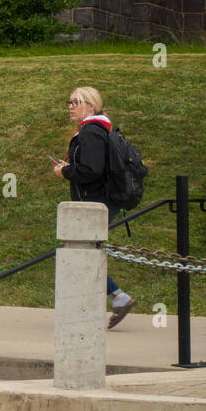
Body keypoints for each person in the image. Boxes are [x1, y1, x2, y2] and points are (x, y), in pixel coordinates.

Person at [53, 86, 135, 328]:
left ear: (90, 105)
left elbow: (91, 170)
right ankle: (115, 298)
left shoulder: (90, 131)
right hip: (101, 201)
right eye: (68, 102)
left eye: (75, 102)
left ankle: (114, 299)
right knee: (85, 253)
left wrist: (64, 171)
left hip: (95, 203)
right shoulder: (99, 129)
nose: (70, 106)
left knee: (81, 255)